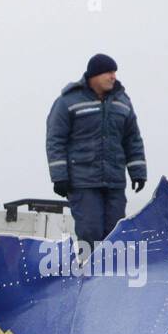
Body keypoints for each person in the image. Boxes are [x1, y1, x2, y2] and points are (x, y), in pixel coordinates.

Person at [46, 54, 148, 247]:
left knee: (115, 235)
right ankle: (88, 274)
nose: (113, 77)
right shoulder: (68, 101)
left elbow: (132, 139)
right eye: (108, 72)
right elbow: (55, 139)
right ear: (94, 75)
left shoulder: (123, 101)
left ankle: (111, 276)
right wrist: (59, 176)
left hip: (114, 182)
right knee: (90, 233)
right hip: (83, 183)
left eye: (114, 73)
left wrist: (138, 172)